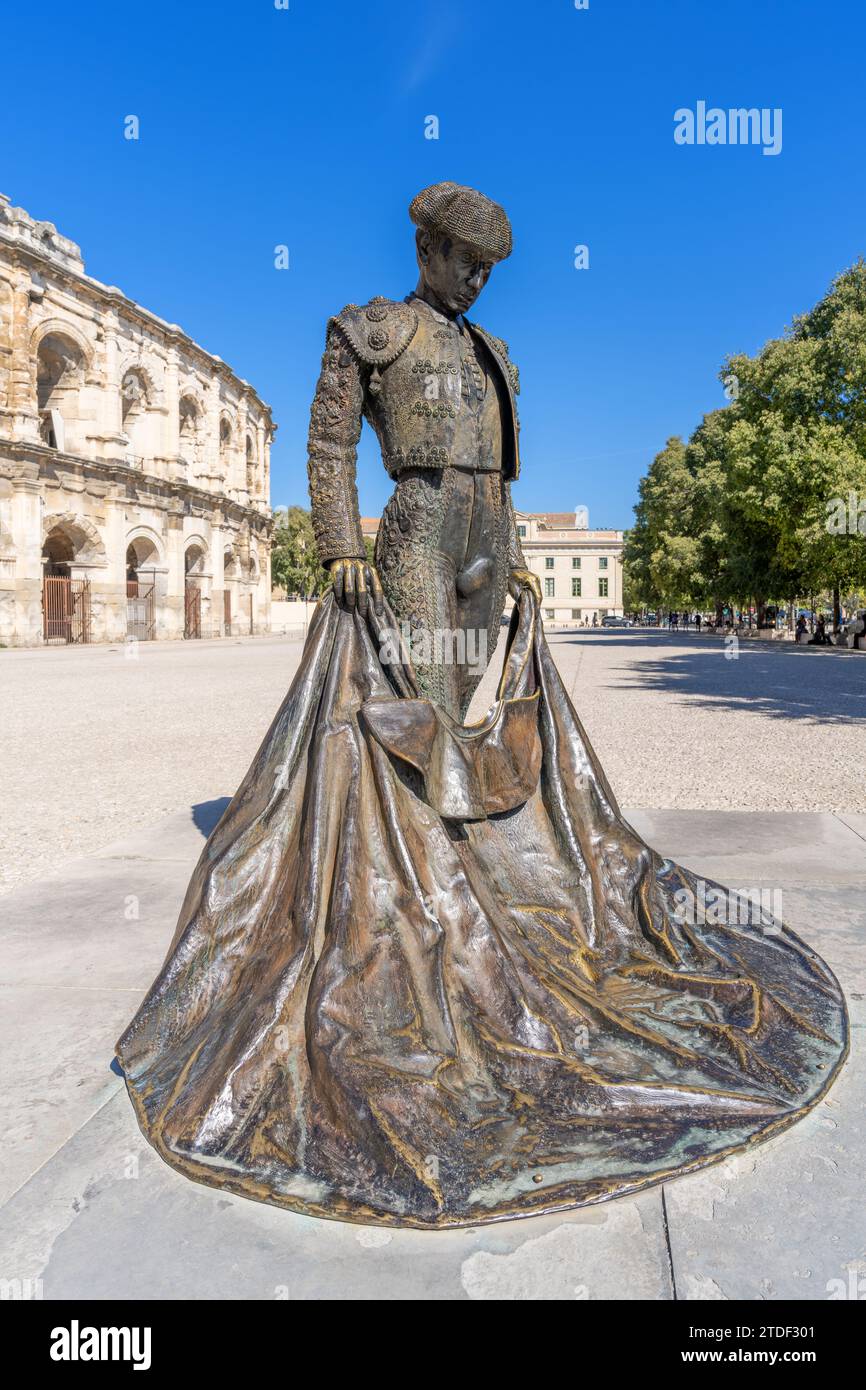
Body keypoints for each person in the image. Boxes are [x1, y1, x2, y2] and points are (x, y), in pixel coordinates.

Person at [114, 182, 847, 1231]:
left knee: (471, 708)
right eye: (461, 260)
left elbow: (499, 471)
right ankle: (426, 891)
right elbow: (327, 445)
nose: (473, 278)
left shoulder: (494, 351)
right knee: (417, 705)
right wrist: (337, 545)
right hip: (413, 527)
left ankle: (478, 872)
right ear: (425, 246)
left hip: (482, 535)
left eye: (484, 268)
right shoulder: (369, 329)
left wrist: (508, 568)